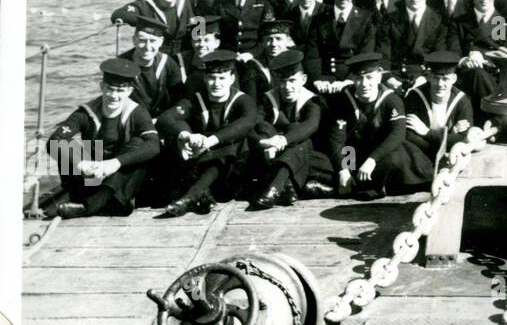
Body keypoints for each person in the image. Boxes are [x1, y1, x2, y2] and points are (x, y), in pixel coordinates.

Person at [45, 58, 161, 218]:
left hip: (117, 183)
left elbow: (154, 145)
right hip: (91, 177)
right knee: (66, 144)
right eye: (110, 89)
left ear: (129, 91)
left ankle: (88, 207)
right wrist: (81, 164)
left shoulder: (137, 112)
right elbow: (54, 140)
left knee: (139, 144)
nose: (114, 96)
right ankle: (84, 199)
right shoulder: (87, 112)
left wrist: (114, 163)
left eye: (120, 91)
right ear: (102, 87)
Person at [155, 49, 258, 217]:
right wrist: (186, 136)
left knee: (235, 141)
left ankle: (191, 197)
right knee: (178, 132)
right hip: (201, 167)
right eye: (211, 78)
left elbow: (246, 123)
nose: (216, 84)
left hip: (231, 173)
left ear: (232, 78)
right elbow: (165, 119)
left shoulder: (243, 101)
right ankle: (201, 195)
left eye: (222, 78)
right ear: (205, 78)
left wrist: (210, 141)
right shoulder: (195, 100)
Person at [329, 53, 434, 199]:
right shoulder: (344, 99)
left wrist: (372, 160)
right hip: (354, 151)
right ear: (353, 79)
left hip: (382, 152)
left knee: (398, 158)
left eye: (370, 77)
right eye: (359, 78)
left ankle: (374, 186)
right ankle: (358, 184)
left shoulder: (391, 99)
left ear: (379, 76)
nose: (364, 84)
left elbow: (397, 134)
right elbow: (339, 140)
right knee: (327, 165)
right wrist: (343, 169)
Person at [246, 49, 327, 209]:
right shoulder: (269, 98)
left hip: (306, 154)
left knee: (298, 134)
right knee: (264, 127)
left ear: (303, 79)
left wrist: (283, 140)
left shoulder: (311, 101)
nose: (287, 87)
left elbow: (311, 125)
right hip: (272, 154)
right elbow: (253, 124)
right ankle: (287, 186)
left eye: (292, 80)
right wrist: (265, 142)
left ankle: (275, 187)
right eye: (282, 81)